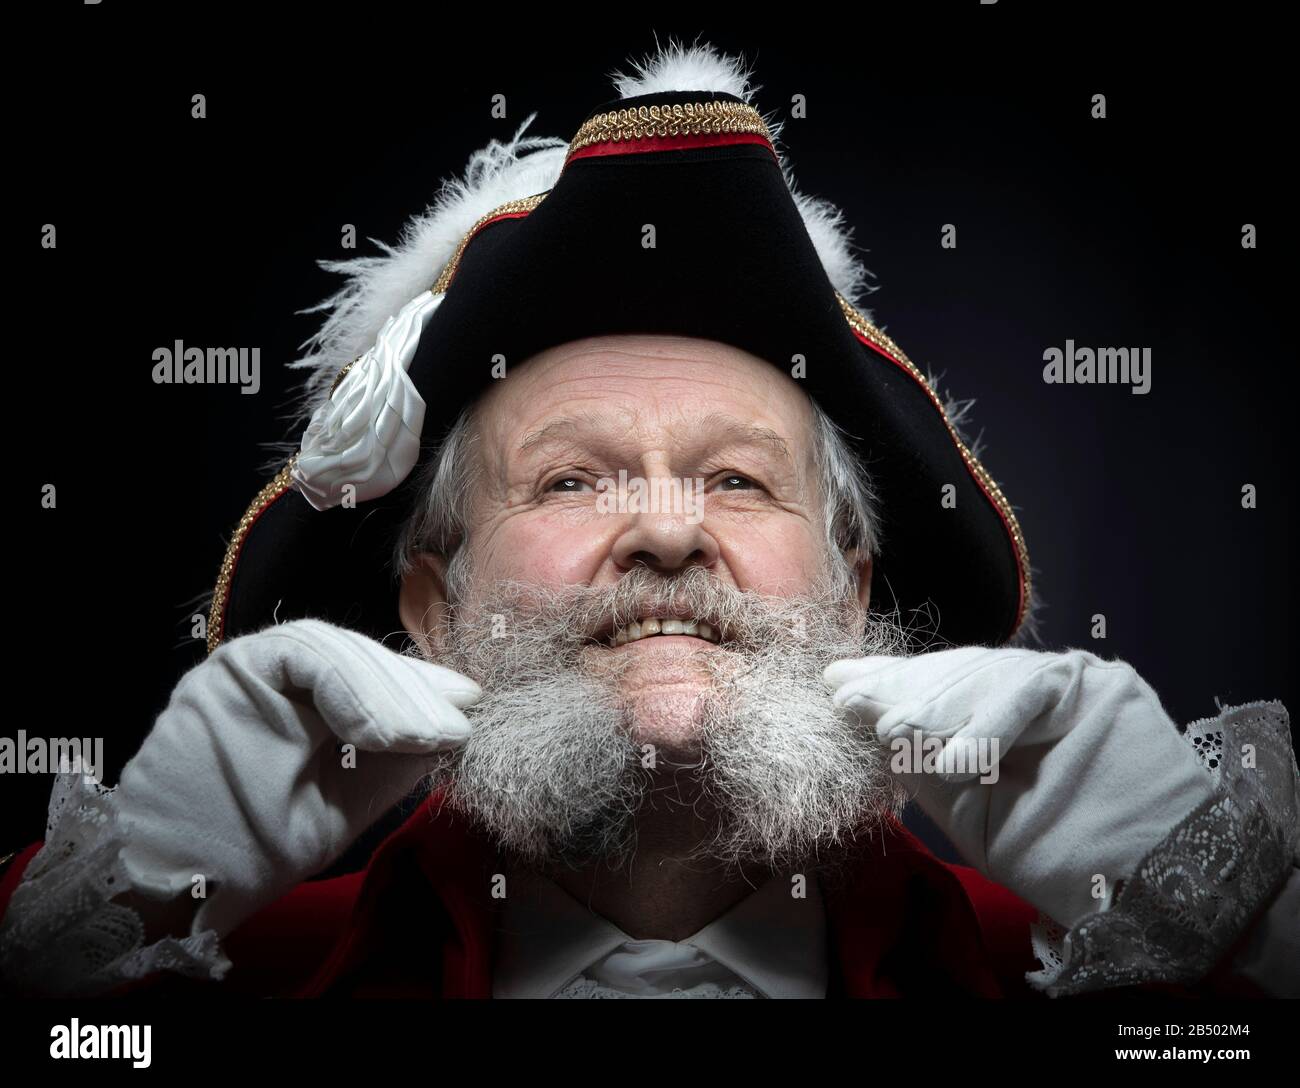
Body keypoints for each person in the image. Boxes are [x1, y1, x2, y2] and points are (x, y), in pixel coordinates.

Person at [2, 40, 1296, 1000]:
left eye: (738, 481)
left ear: (854, 592)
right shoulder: (232, 977)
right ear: (428, 610)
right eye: (571, 481)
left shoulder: (1106, 974)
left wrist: (1233, 919)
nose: (668, 535)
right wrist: (106, 917)